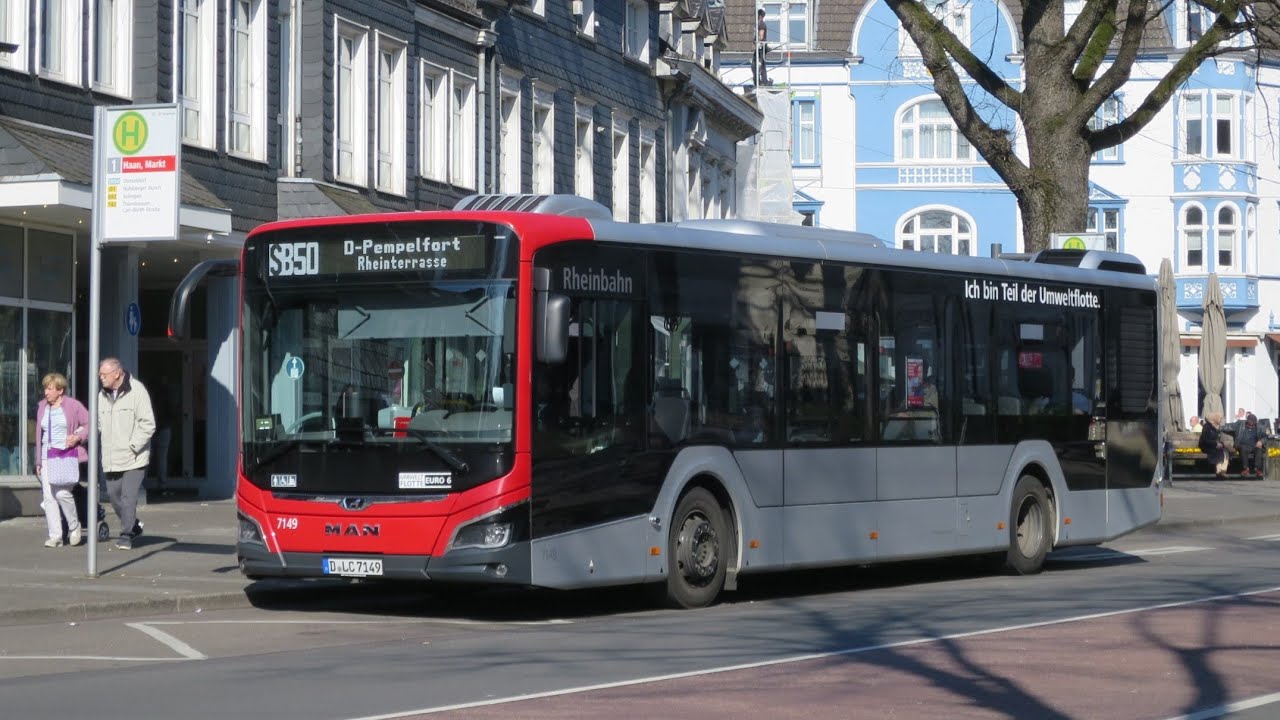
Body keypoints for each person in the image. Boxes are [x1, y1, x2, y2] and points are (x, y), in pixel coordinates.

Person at [98, 357, 155, 550]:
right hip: (111, 458)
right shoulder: (101, 395)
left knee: (128, 497)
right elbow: (99, 423)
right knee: (114, 497)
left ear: (117, 373)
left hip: (134, 458)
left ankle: (126, 535)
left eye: (104, 374)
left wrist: (133, 446)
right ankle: (134, 526)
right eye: (100, 374)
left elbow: (148, 423)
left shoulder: (137, 391)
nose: (101, 377)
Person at [34, 372, 89, 547]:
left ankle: (74, 526)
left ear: (60, 390)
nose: (46, 392)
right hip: (47, 456)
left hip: (65, 455)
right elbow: (39, 435)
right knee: (49, 496)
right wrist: (39, 461)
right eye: (45, 388)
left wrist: (77, 437)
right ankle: (56, 536)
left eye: (50, 389)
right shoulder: (42, 406)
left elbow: (89, 423)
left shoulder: (73, 405)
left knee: (62, 493)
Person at [149, 376, 174, 492]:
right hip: (163, 428)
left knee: (146, 457)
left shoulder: (150, 397)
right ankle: (162, 484)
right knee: (162, 458)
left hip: (152, 429)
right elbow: (171, 412)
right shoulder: (167, 396)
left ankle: (142, 483)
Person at [1198, 410, 1229, 480]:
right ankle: (1219, 472)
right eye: (1220, 418)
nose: (1221, 420)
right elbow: (1205, 440)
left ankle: (1222, 471)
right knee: (1220, 451)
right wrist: (1215, 444)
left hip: (1215, 446)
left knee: (1226, 452)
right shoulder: (1207, 426)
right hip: (1207, 446)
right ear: (1215, 418)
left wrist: (1220, 443)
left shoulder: (1218, 426)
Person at [1236, 412, 1265, 477]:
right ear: (1247, 422)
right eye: (1249, 424)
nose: (1251, 426)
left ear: (1255, 423)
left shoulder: (1260, 427)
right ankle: (1246, 469)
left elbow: (1265, 436)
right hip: (1243, 445)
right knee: (1243, 448)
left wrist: (1261, 441)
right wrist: (1218, 426)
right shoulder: (1240, 424)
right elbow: (1229, 426)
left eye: (1253, 425)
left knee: (1259, 449)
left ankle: (1257, 469)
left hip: (1254, 445)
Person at [754, 8, 770, 86]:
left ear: (760, 16)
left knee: (757, 64)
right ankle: (762, 81)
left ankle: (762, 82)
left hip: (761, 47)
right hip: (760, 47)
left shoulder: (761, 24)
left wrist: (757, 41)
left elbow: (761, 36)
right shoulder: (760, 23)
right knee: (760, 64)